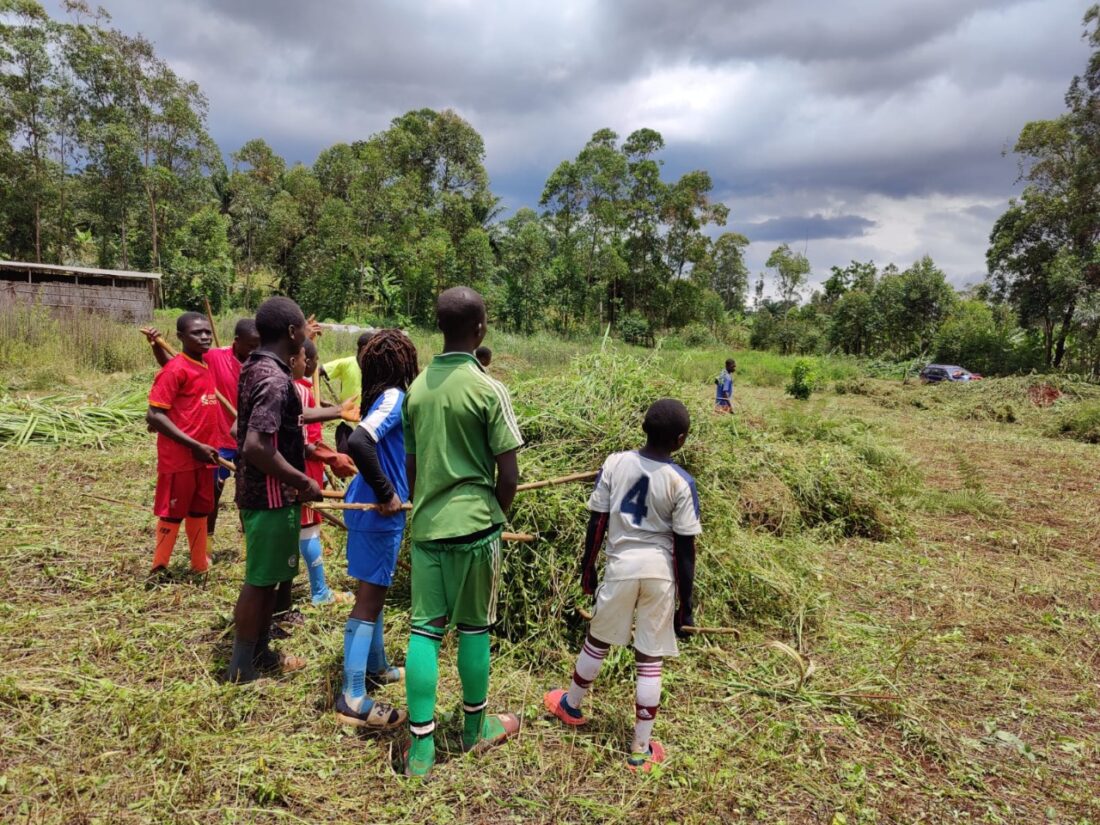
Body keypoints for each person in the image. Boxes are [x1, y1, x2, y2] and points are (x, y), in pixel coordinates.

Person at [401, 286, 522, 777]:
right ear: (480, 328)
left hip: (428, 529)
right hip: (476, 529)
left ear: (439, 327)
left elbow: (411, 470)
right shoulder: (489, 389)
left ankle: (421, 751)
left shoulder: (417, 389)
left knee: (424, 630)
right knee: (475, 627)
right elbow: (508, 476)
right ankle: (475, 731)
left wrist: (427, 508)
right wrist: (495, 516)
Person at [543, 398, 701, 773]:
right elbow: (685, 550)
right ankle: (639, 749)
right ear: (680, 440)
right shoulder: (682, 482)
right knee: (650, 656)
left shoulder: (615, 463)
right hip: (659, 574)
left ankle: (571, 705)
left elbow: (597, 524)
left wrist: (587, 570)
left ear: (642, 427)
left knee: (598, 639)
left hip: (620, 568)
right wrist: (686, 606)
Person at [224, 297, 355, 684]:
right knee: (260, 581)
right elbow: (255, 445)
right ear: (292, 332)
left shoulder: (258, 367)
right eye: (303, 327)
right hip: (270, 497)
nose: (307, 333)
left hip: (265, 494)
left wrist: (336, 411)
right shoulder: (273, 379)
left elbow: (288, 416)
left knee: (268, 580)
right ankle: (242, 666)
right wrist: (302, 481)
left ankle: (261, 651)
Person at [334, 329, 421, 731]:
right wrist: (387, 492)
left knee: (376, 591)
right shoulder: (395, 398)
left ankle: (377, 666)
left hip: (372, 511)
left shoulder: (381, 397)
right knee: (369, 599)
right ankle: (352, 696)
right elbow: (359, 442)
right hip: (377, 512)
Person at [143, 318, 260, 534]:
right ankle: (207, 543)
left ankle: (249, 542)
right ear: (237, 341)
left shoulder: (262, 363)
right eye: (252, 346)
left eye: (259, 346)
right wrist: (157, 346)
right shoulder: (214, 356)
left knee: (248, 494)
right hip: (218, 439)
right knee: (211, 496)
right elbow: (177, 367)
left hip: (248, 438)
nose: (256, 350)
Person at [145, 312, 222, 577]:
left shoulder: (203, 364)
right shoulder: (175, 369)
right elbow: (154, 415)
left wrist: (203, 448)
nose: (204, 337)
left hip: (206, 455)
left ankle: (199, 564)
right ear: (180, 336)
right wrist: (194, 445)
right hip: (180, 457)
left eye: (207, 332)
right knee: (173, 511)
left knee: (200, 509)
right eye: (196, 333)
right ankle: (159, 567)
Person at [291, 338, 352, 607]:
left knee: (300, 526)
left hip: (295, 470)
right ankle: (319, 592)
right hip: (303, 471)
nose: (315, 364)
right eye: (314, 360)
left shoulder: (295, 388)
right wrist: (334, 458)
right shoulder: (300, 393)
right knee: (309, 527)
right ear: (307, 362)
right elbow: (306, 444)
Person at [321, 330, 376, 403]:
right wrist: (319, 400)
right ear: (364, 349)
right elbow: (318, 371)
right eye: (375, 349)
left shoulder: (376, 368)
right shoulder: (347, 363)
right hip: (348, 410)